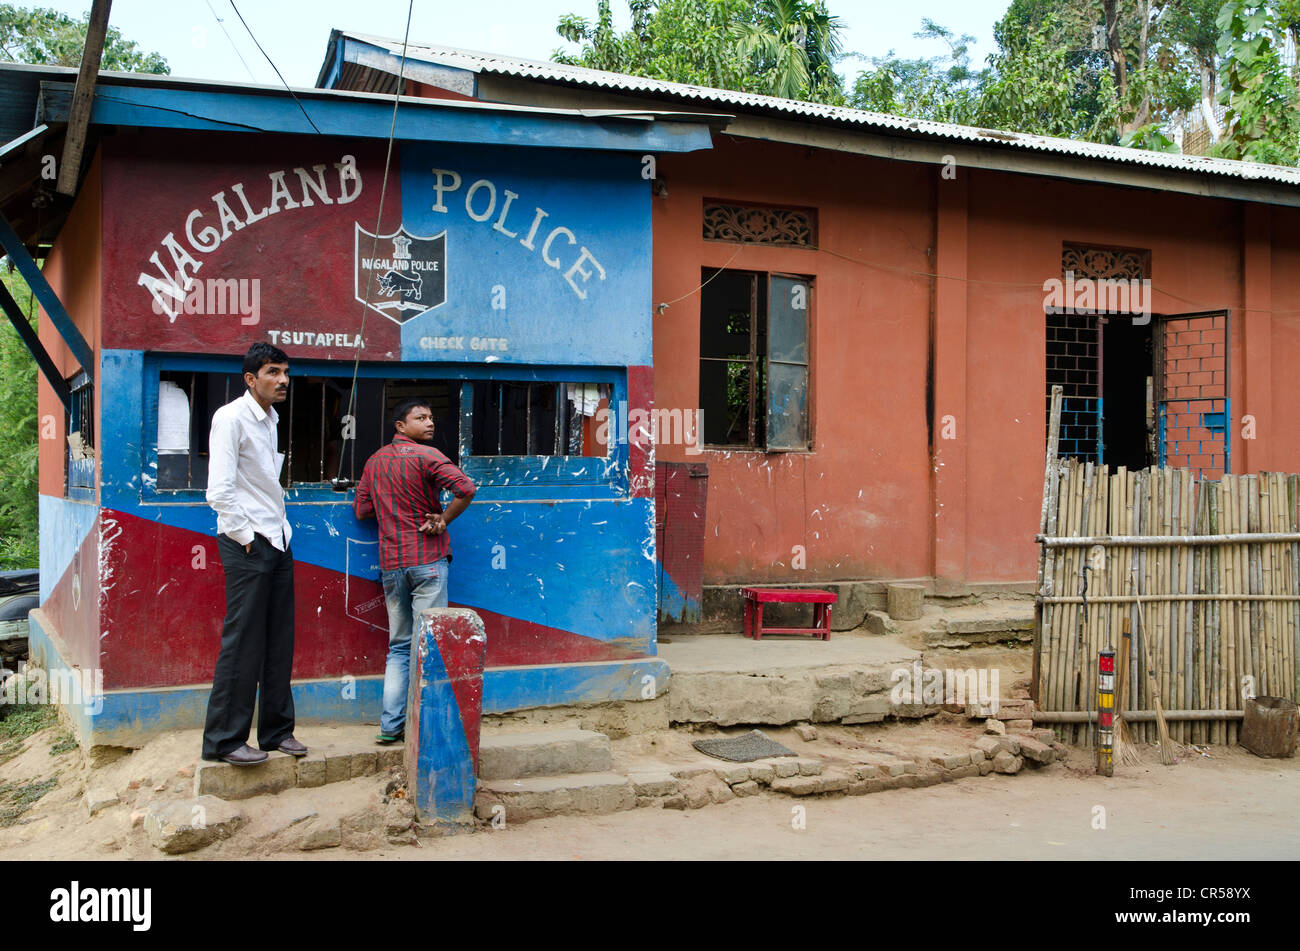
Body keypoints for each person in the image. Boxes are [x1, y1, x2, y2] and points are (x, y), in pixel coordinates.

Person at [201, 343, 307, 765]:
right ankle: (225, 741)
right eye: (272, 372)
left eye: (285, 372)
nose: (282, 380)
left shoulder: (271, 419)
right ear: (250, 379)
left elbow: (263, 483)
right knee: (243, 642)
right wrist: (246, 537)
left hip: (277, 538)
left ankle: (277, 732)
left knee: (279, 639)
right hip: (249, 541)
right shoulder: (230, 418)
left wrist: (275, 533)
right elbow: (220, 490)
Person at [354, 398, 476, 743]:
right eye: (420, 417)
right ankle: (430, 729)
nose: (430, 422)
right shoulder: (429, 456)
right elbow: (466, 489)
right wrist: (443, 517)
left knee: (399, 647)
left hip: (393, 563)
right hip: (427, 560)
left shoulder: (375, 462)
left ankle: (390, 728)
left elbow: (362, 510)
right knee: (431, 643)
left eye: (431, 416)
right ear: (400, 426)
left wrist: (390, 505)